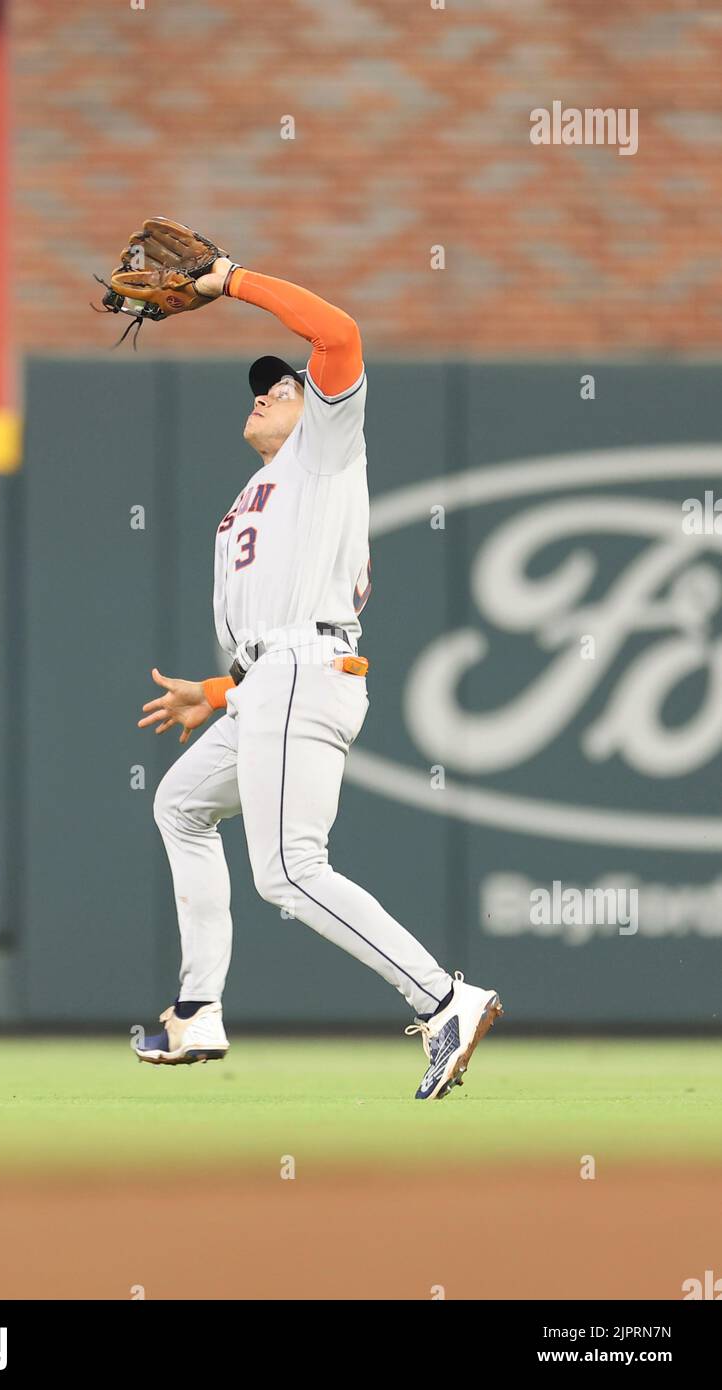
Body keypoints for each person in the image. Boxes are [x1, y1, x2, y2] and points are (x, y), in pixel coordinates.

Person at [135, 255, 502, 1099]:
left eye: (284, 387)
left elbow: (338, 334)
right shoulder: (256, 495)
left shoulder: (325, 453)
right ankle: (198, 1010)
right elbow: (271, 631)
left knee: (291, 870)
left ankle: (445, 998)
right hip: (272, 681)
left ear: (317, 410)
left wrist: (229, 278)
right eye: (260, 388)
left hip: (306, 672)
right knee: (181, 805)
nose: (265, 392)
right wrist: (221, 691)